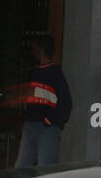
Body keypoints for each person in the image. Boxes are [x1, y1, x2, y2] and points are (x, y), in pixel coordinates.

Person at [16, 33, 73, 167]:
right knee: (21, 167)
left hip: (46, 128)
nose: (33, 52)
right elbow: (38, 96)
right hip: (31, 125)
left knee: (45, 167)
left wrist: (50, 120)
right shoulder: (36, 71)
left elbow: (66, 103)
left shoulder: (55, 73)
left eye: (35, 48)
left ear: (40, 49)